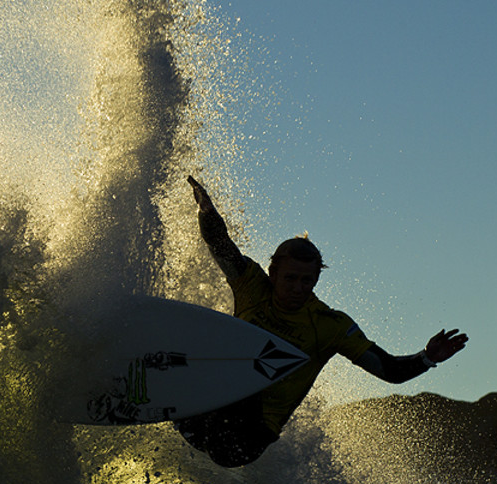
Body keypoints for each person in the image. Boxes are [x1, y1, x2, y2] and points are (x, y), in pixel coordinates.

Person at [178, 176, 468, 467]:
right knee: (205, 342)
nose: (298, 288)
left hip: (247, 438)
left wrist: (427, 358)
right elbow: (219, 243)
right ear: (273, 272)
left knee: (248, 373)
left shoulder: (330, 325)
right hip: (210, 414)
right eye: (290, 278)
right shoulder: (252, 286)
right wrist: (206, 210)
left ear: (316, 279)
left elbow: (389, 370)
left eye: (307, 281)